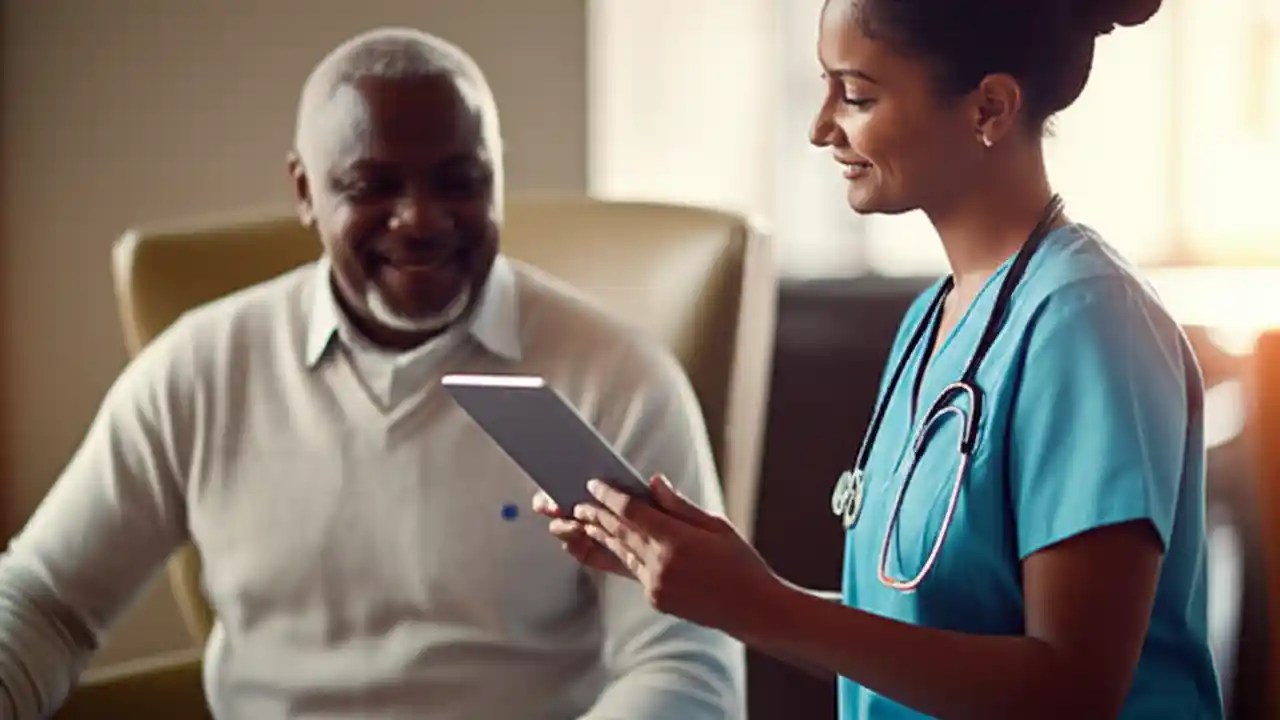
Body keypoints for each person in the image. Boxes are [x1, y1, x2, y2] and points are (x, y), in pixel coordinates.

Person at [0, 28, 743, 720]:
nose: (420, 218)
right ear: (303, 190)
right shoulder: (199, 370)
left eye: (460, 181)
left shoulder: (616, 378)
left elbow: (686, 666)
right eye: (371, 186)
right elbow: (42, 602)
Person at [538, 1, 1224, 718]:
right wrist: (713, 583)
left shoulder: (1088, 324)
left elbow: (1070, 690)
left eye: (857, 95)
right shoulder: (933, 320)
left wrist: (758, 604)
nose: (821, 126)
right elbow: (916, 635)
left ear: (989, 107)